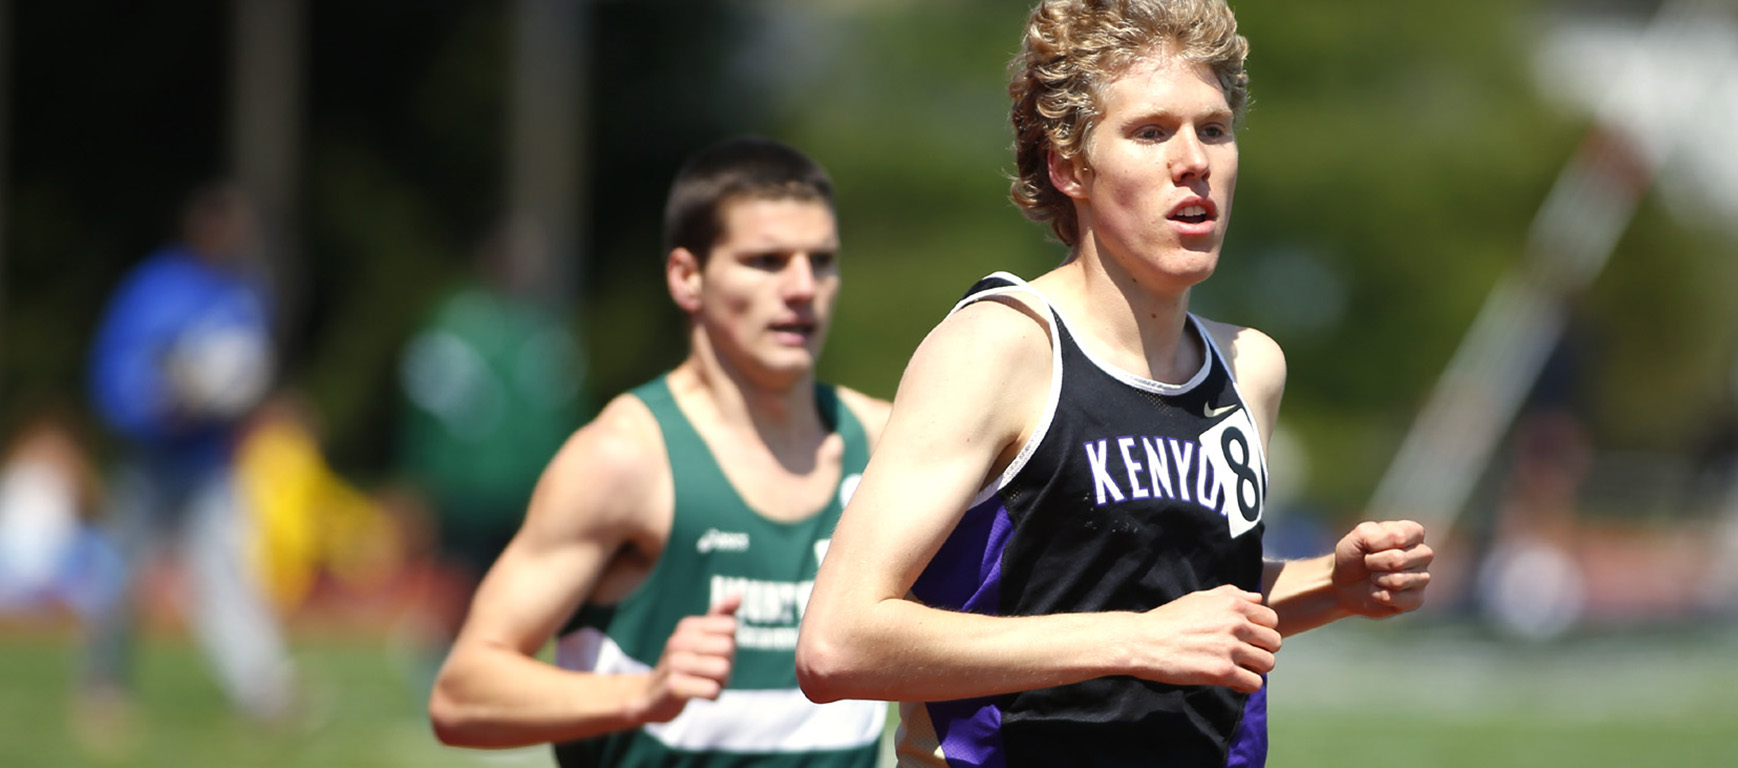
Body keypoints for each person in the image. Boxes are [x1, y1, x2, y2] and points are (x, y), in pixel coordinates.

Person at [795, 2, 1433, 766]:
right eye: (1151, 132)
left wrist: (1335, 585)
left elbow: (1177, 603)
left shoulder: (1249, 367)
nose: (1194, 161)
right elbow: (838, 643)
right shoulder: (1001, 348)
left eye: (1214, 129)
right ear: (1070, 167)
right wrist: (1136, 640)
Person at [429, 137, 891, 767]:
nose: (803, 287)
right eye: (766, 261)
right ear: (687, 277)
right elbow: (461, 694)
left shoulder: (887, 445)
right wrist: (644, 694)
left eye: (823, 261)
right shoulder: (623, 460)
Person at [80, 180, 295, 726]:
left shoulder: (243, 294)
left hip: (207, 462)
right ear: (203, 227)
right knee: (121, 574)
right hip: (147, 461)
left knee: (228, 572)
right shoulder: (153, 286)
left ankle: (263, 690)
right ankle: (102, 682)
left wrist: (228, 402)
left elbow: (249, 375)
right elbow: (114, 372)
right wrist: (161, 401)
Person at [395, 221, 587, 682]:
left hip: (523, 483)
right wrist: (415, 478)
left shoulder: (541, 329)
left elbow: (563, 411)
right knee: (457, 580)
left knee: (515, 585)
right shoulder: (456, 324)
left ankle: (492, 669)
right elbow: (423, 411)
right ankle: (434, 658)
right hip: (463, 482)